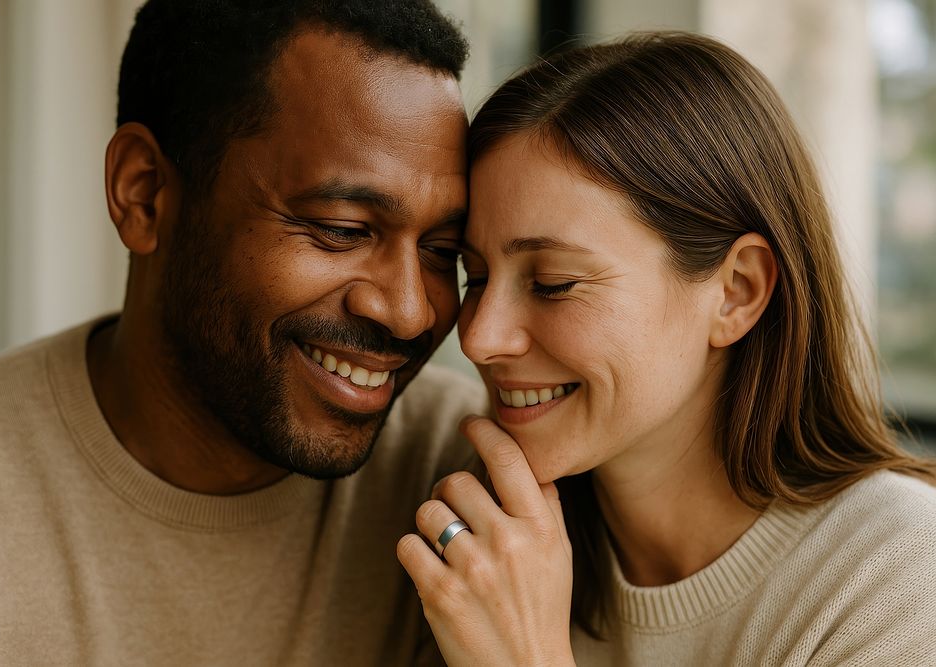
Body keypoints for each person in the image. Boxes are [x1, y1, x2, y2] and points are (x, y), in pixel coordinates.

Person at [0, 1, 487, 664]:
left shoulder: (468, 476)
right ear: (144, 195)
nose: (409, 312)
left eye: (442, 250)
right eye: (341, 229)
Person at [398, 32, 936, 665]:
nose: (481, 338)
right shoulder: (482, 552)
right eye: (476, 278)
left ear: (736, 292)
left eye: (554, 284)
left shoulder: (899, 581)